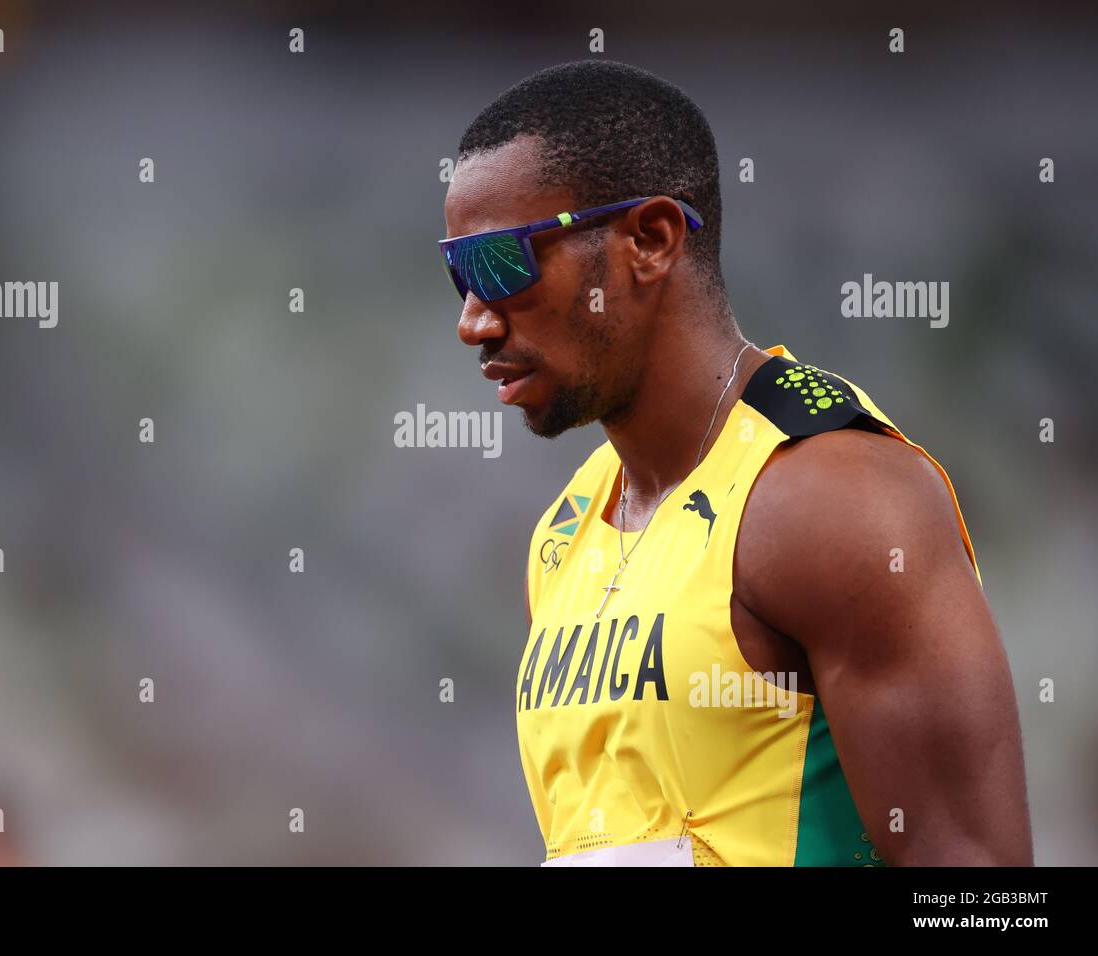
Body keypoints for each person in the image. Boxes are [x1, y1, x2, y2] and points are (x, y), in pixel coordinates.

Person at [439, 59, 1030, 866]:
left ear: (649, 240)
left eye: (499, 264)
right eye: (456, 273)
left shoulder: (834, 498)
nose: (474, 321)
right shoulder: (567, 532)